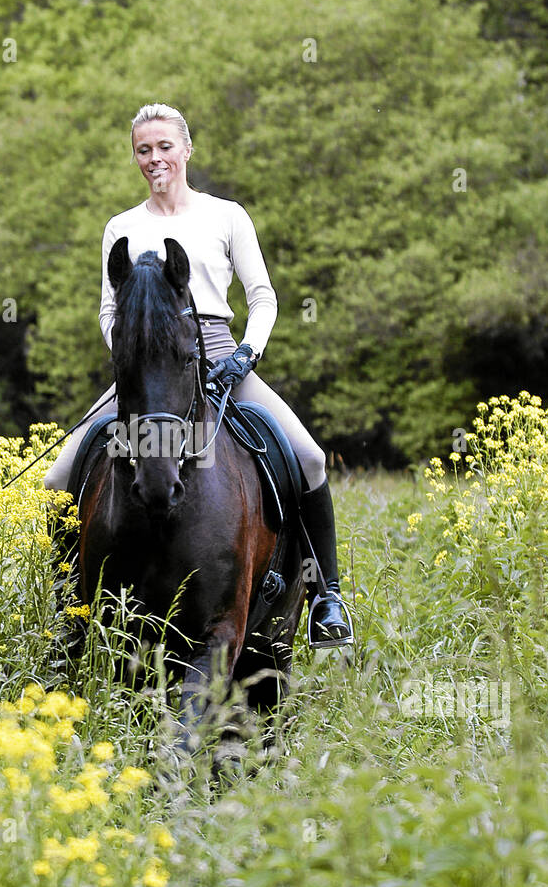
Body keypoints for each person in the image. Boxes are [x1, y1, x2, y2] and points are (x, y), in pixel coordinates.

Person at [43, 102, 352, 646]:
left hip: (220, 352)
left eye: (164, 146)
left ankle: (327, 595)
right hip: (147, 367)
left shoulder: (225, 215)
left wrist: (245, 357)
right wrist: (132, 362)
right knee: (55, 479)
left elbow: (262, 297)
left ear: (186, 150)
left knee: (307, 457)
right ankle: (68, 609)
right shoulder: (122, 226)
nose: (154, 158)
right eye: (144, 150)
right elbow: (108, 312)